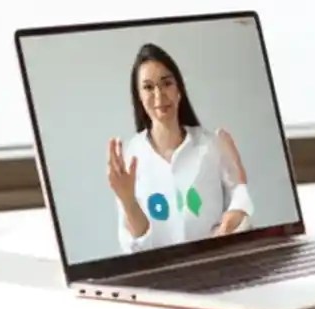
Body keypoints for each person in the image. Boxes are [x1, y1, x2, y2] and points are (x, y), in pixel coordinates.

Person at [106, 43, 253, 253]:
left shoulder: (210, 145)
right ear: (139, 96)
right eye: (148, 87)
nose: (159, 95)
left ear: (179, 89)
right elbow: (135, 248)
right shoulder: (130, 157)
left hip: (215, 267)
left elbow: (240, 200)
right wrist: (128, 200)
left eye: (166, 83)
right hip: (159, 276)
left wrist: (236, 216)